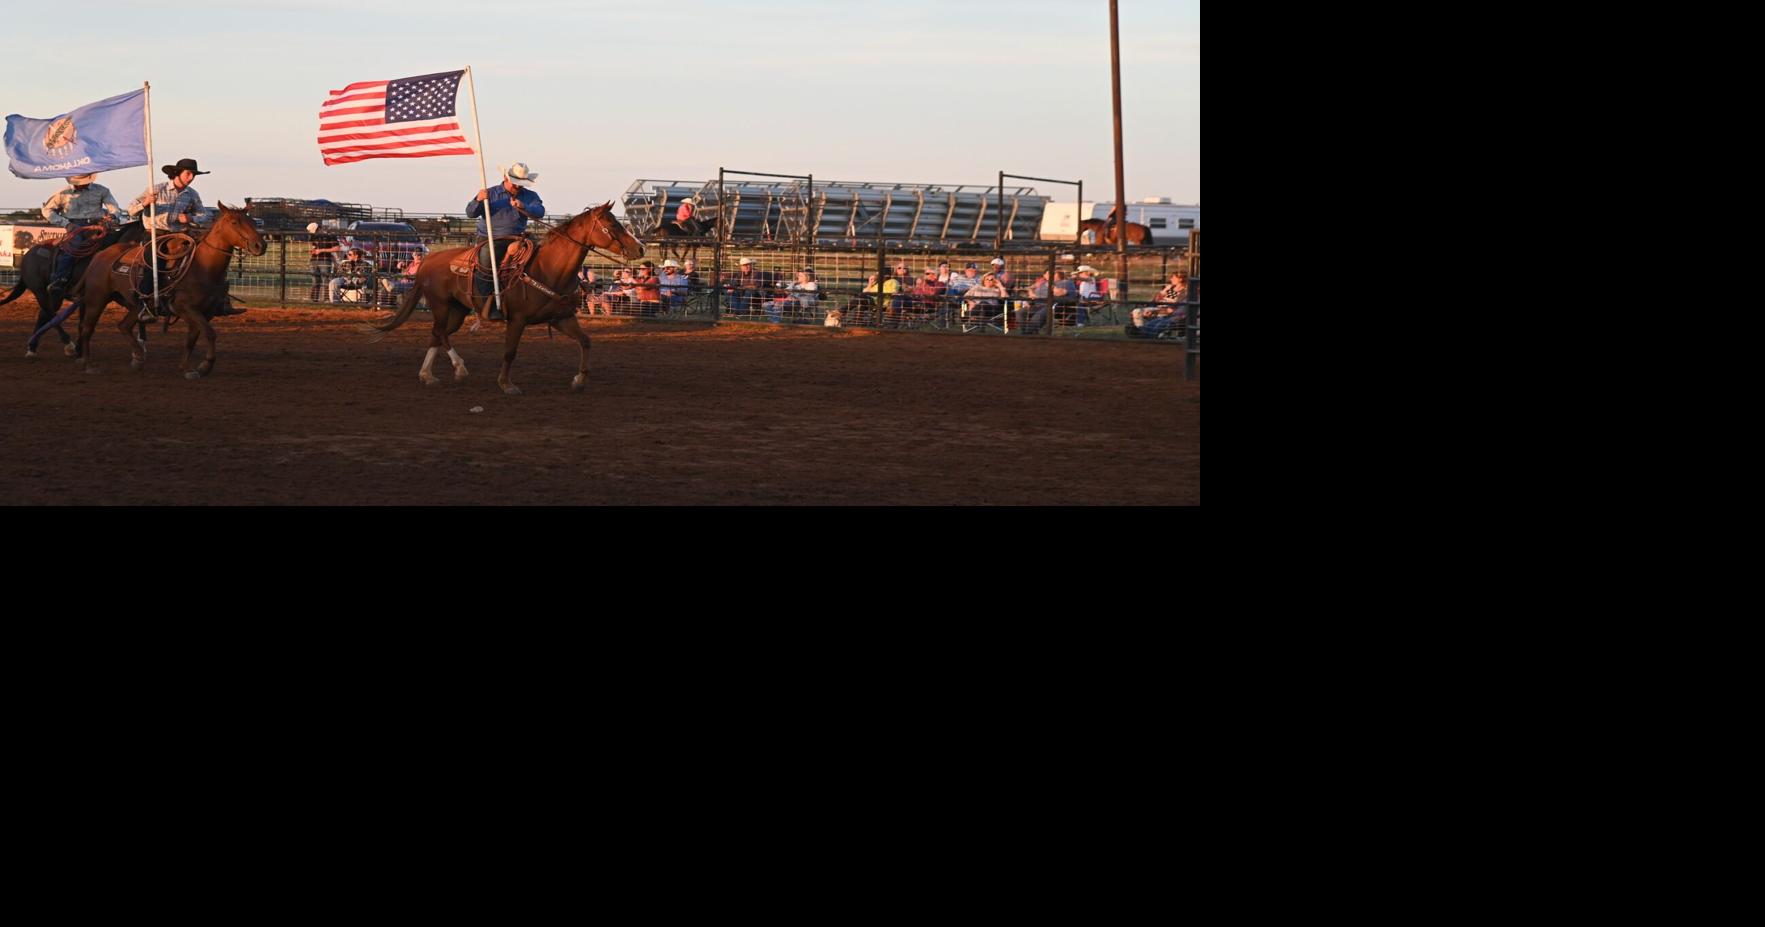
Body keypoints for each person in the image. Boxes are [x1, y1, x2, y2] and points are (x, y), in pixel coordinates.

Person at [465, 162, 545, 318]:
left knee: (542, 259)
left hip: (518, 238)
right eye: (515, 183)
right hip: (491, 238)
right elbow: (470, 213)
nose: (518, 186)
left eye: (521, 184)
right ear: (505, 178)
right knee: (486, 267)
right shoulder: (490, 193)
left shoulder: (530, 196)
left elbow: (540, 211)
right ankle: (487, 304)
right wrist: (477, 199)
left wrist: (524, 207)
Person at [40, 172, 123, 301]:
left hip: (98, 225)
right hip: (75, 226)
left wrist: (112, 216)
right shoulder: (63, 193)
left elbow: (115, 209)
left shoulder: (102, 190)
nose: (80, 186)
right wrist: (66, 224)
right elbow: (47, 210)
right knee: (72, 250)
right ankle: (59, 279)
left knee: (115, 249)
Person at [1128, 271, 1189, 339]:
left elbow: (1174, 305)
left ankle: (1142, 332)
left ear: (1180, 279)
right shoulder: (1171, 287)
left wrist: (1160, 309)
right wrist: (1157, 298)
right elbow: (1159, 297)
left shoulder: (1184, 291)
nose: (1171, 279)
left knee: (1140, 313)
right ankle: (1140, 329)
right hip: (1159, 306)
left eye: (1173, 277)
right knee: (1137, 311)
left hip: (1167, 309)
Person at [307, 222, 341, 302]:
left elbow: (337, 248)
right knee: (315, 280)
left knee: (326, 280)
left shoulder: (330, 235)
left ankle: (326, 298)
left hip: (325, 260)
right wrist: (313, 250)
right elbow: (313, 246)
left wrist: (321, 250)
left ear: (319, 229)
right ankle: (314, 299)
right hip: (314, 260)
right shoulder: (313, 236)